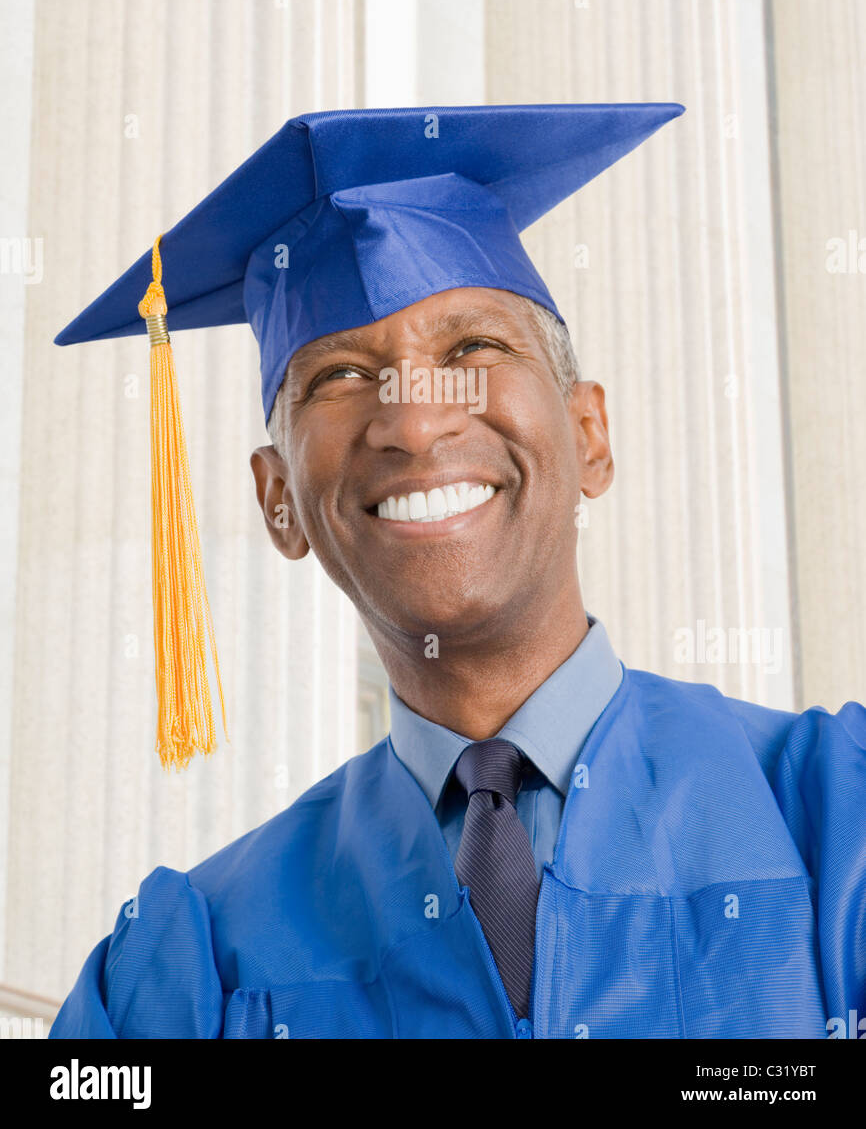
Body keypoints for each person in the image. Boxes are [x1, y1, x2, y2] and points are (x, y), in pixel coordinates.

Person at [49, 105, 865, 1039]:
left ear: (589, 434)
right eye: (339, 377)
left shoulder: (836, 819)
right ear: (279, 502)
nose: (414, 420)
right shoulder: (188, 972)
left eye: (472, 350)